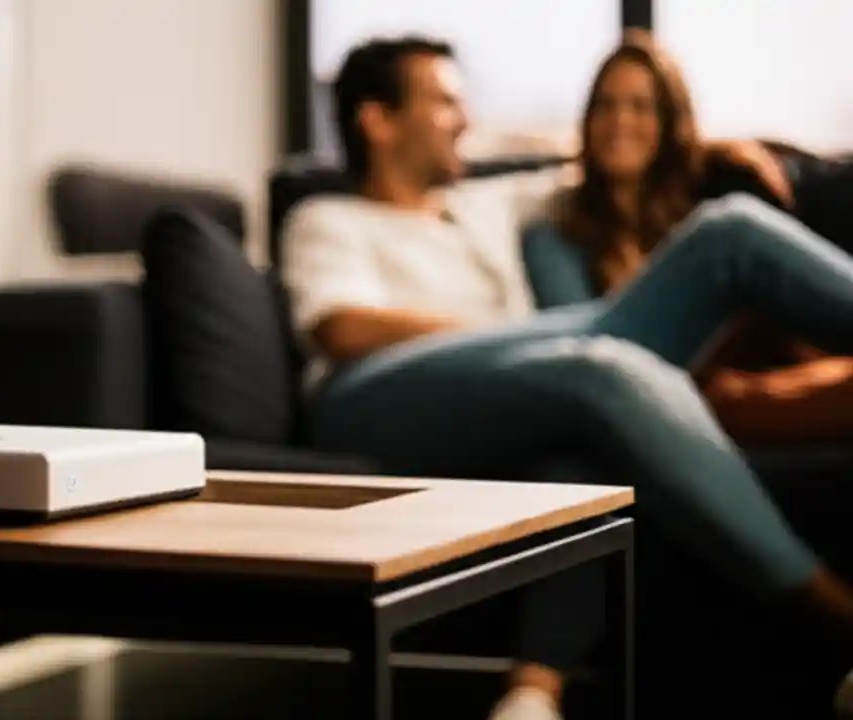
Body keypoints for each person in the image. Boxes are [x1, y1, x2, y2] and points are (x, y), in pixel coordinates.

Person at [281, 35, 853, 720]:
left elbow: (617, 155)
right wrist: (497, 340)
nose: (464, 119)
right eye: (444, 101)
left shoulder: (487, 203)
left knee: (702, 266)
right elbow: (339, 327)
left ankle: (530, 696)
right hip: (374, 397)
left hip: (522, 384)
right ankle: (837, 615)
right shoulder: (327, 219)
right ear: (377, 119)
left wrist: (735, 149)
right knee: (604, 357)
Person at [523, 31, 853, 444]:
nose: (619, 121)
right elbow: (584, 351)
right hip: (686, 398)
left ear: (667, 120)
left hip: (774, 364)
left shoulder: (707, 195)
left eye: (640, 106)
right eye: (604, 105)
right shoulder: (559, 235)